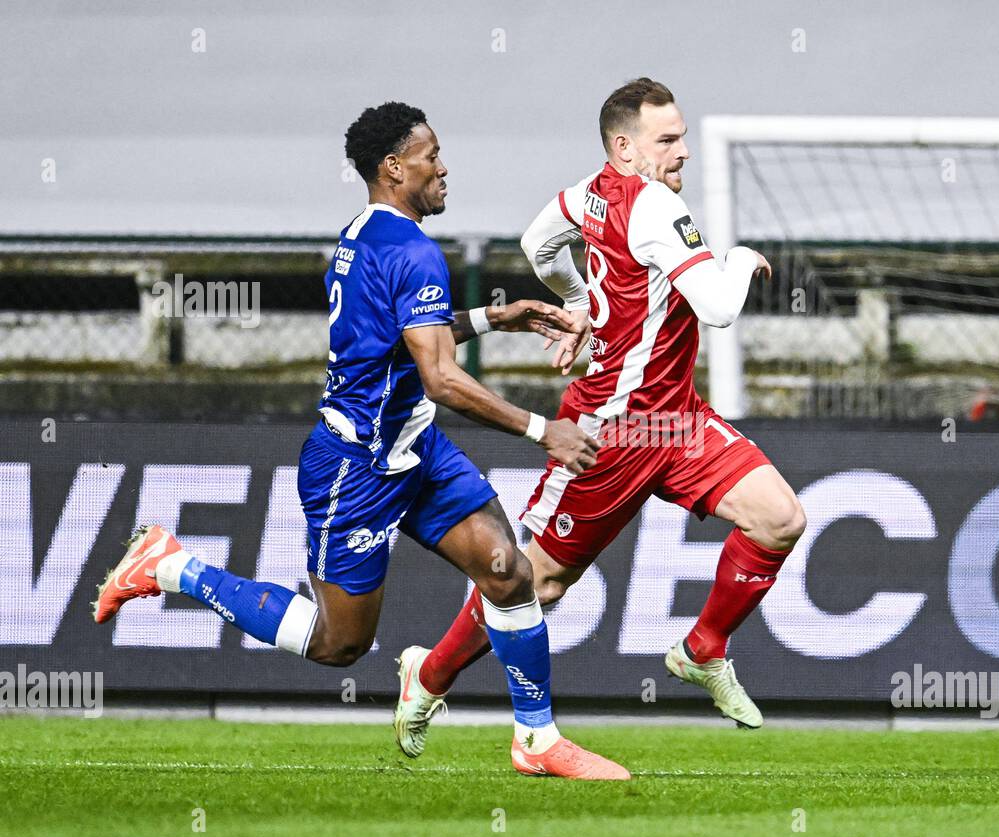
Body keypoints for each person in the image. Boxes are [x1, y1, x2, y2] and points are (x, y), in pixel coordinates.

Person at [92, 101, 629, 780]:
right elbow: (438, 377)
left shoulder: (366, 234)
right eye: (430, 154)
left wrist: (494, 316)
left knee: (505, 569)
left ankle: (536, 739)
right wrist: (540, 429)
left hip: (416, 449)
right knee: (339, 645)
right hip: (357, 466)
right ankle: (171, 567)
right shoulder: (412, 250)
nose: (442, 166)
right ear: (392, 166)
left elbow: (407, 343)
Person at [413, 78, 806, 729]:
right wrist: (736, 259)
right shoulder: (654, 207)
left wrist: (582, 305)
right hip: (612, 431)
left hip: (675, 422)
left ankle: (703, 650)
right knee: (538, 584)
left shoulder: (590, 194)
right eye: (668, 140)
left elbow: (540, 240)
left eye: (682, 136)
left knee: (779, 518)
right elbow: (719, 308)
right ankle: (427, 677)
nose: (683, 152)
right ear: (626, 147)